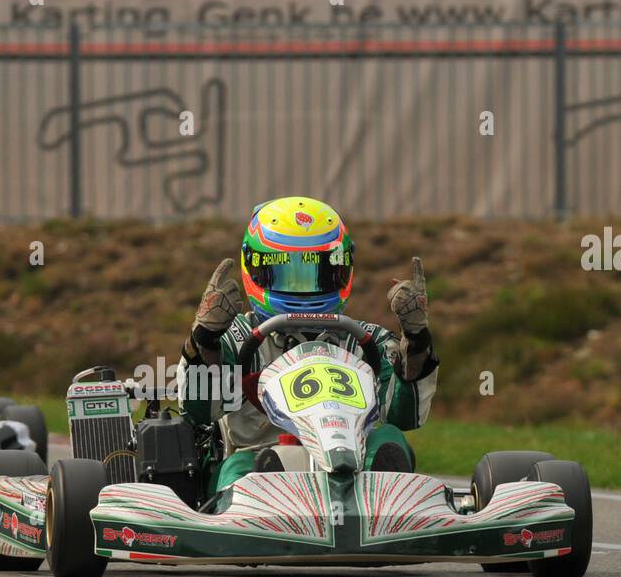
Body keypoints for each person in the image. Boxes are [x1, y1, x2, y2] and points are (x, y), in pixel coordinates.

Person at [178, 196, 439, 494]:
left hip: (350, 463)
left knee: (389, 438)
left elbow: (404, 416)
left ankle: (386, 507)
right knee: (239, 468)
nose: (303, 288)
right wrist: (205, 339)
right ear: (254, 268)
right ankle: (257, 506)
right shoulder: (235, 338)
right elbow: (198, 413)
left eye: (317, 273)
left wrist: (417, 340)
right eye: (286, 272)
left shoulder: (365, 340)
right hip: (258, 457)